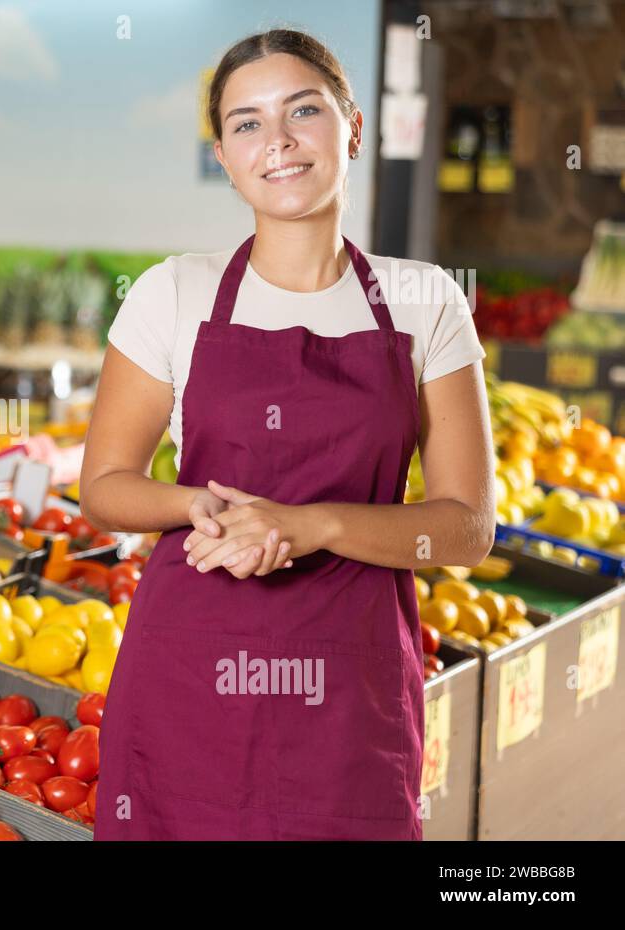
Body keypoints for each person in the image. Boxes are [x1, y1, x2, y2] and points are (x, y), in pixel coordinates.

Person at [82, 30, 495, 840]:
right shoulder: (174, 293)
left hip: (352, 691)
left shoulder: (425, 301)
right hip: (190, 673)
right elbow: (103, 486)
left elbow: (467, 529)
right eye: (247, 123)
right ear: (225, 157)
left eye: (302, 110)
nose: (277, 141)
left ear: (352, 128)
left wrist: (311, 523)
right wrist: (201, 505)